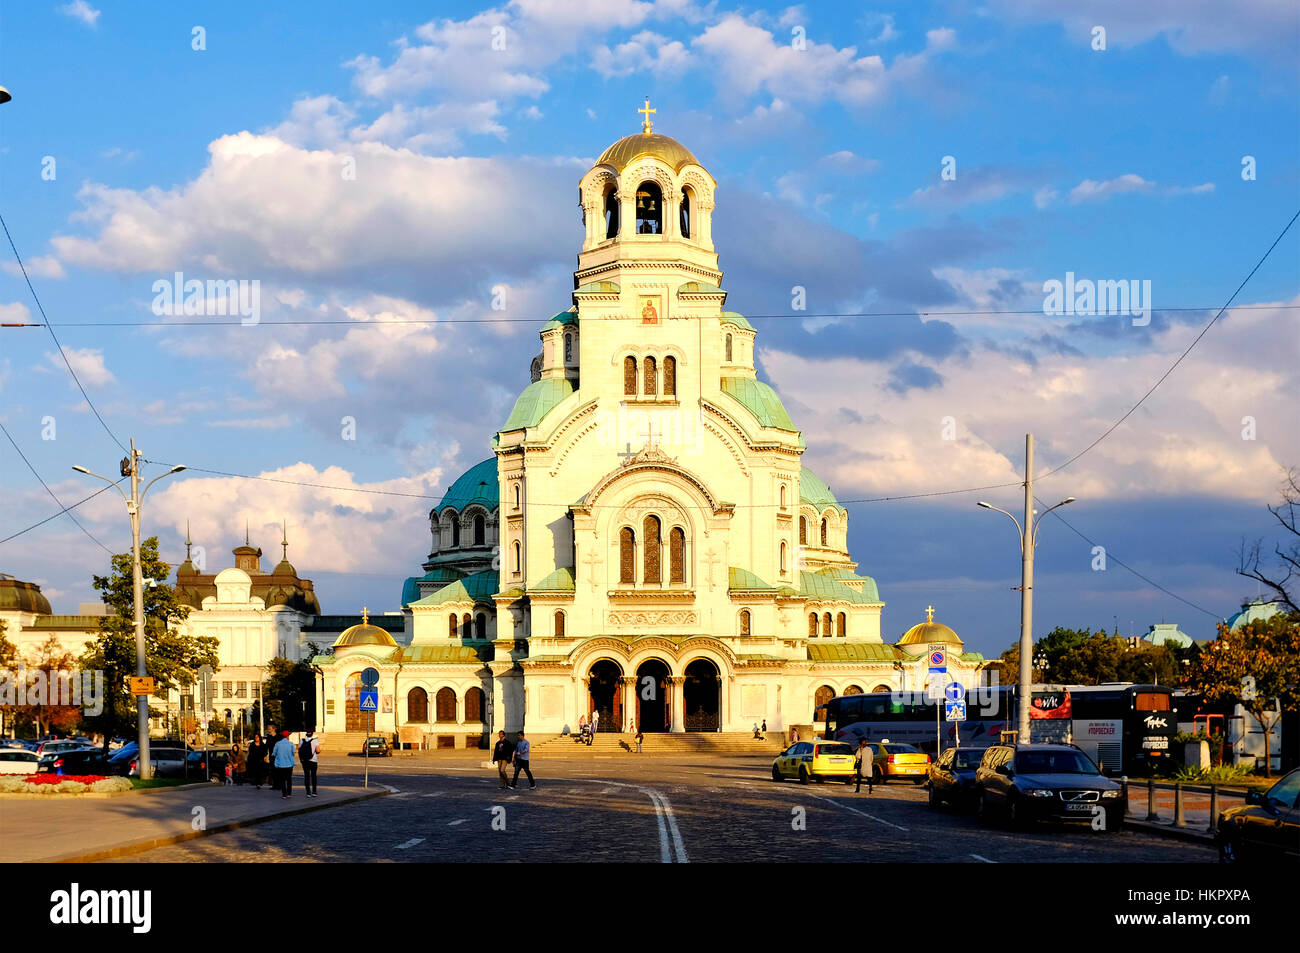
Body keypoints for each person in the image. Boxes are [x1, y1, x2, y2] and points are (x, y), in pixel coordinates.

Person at [271, 729, 296, 799]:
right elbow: (293, 753)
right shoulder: (291, 744)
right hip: (289, 764)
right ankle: (289, 793)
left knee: (282, 780)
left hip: (280, 764)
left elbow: (274, 753)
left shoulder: (277, 744)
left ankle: (284, 794)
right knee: (289, 779)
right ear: (287, 736)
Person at [299, 730, 320, 798]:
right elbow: (318, 751)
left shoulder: (302, 740)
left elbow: (300, 750)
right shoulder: (315, 740)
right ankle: (314, 792)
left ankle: (308, 792)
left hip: (305, 761)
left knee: (306, 776)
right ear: (312, 734)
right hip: (313, 760)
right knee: (313, 776)